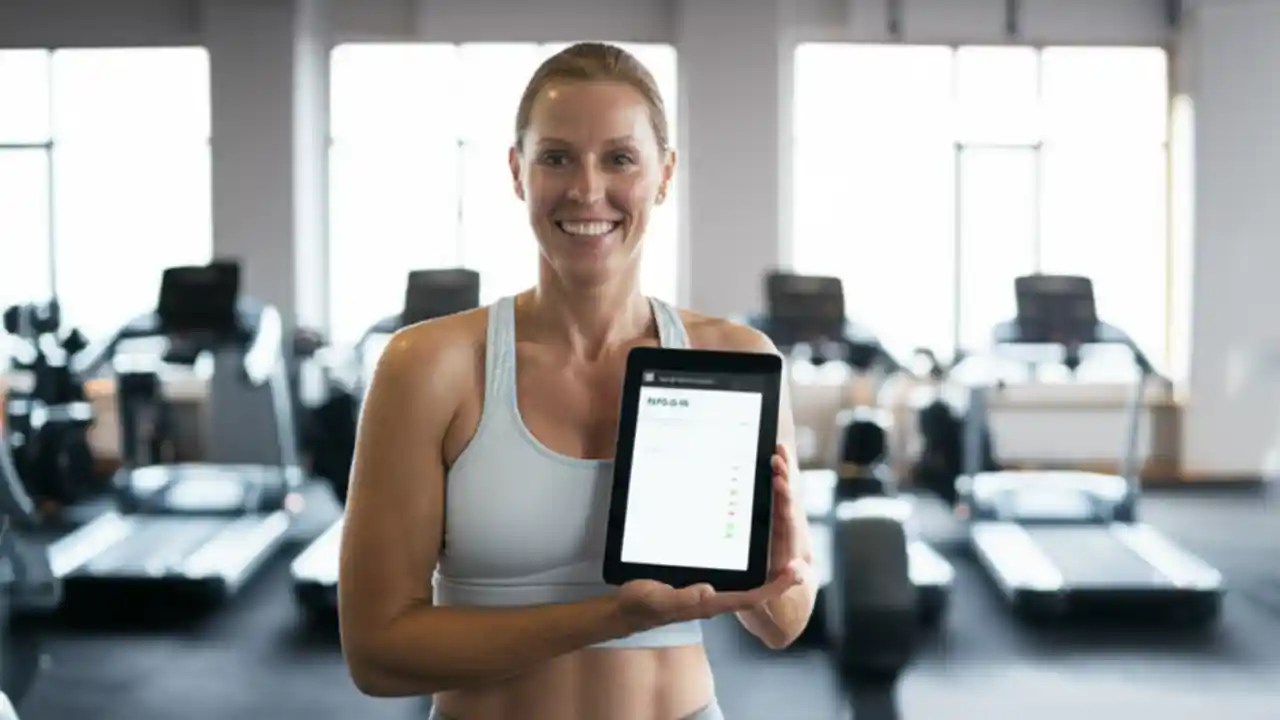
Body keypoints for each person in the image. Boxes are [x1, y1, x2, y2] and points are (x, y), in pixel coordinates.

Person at [338, 41, 817, 720]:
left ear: (664, 174)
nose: (587, 190)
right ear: (517, 171)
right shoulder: (429, 366)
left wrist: (778, 573)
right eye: (557, 157)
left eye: (619, 158)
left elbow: (784, 623)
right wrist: (611, 617)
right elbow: (377, 652)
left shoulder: (739, 358)